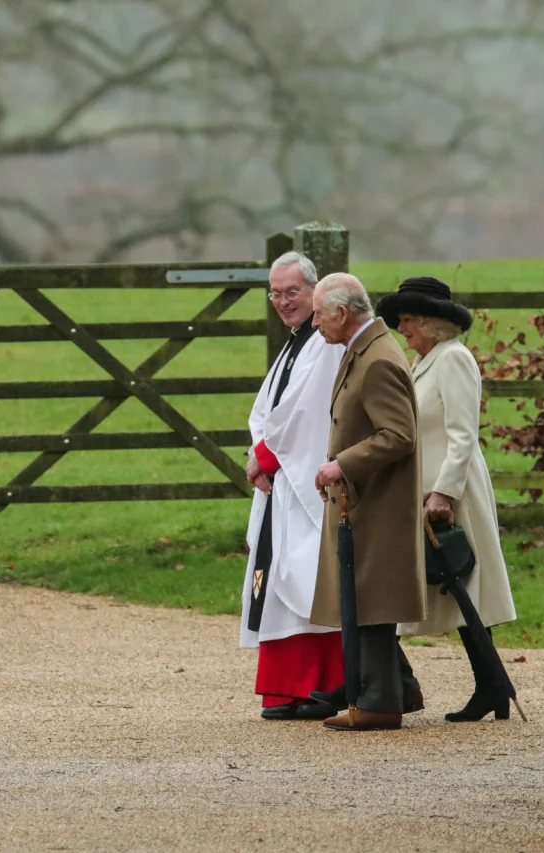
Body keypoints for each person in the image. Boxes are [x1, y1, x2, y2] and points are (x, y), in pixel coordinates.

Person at [377, 276, 518, 722]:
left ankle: (492, 686)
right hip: (431, 489)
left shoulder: (454, 359)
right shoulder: (427, 361)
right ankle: (494, 685)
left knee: (463, 583)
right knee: (456, 588)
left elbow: (462, 434)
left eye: (407, 319)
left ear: (430, 322)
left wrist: (444, 491)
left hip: (455, 490)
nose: (401, 328)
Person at [309, 272, 427, 732]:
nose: (315, 323)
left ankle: (379, 702)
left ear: (340, 312)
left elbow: (399, 435)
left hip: (376, 501)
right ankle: (399, 686)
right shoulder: (364, 349)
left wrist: (343, 464)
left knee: (369, 596)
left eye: (319, 314)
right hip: (366, 499)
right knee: (362, 593)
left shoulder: (376, 358)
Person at [240, 251, 346, 721]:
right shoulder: (294, 342)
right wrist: (255, 453)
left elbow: (307, 412)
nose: (283, 302)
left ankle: (319, 685)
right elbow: (267, 410)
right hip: (281, 481)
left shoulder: (325, 341)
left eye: (293, 293)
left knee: (306, 579)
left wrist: (264, 456)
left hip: (307, 480)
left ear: (313, 290)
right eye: (276, 294)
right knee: (281, 578)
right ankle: (288, 688)